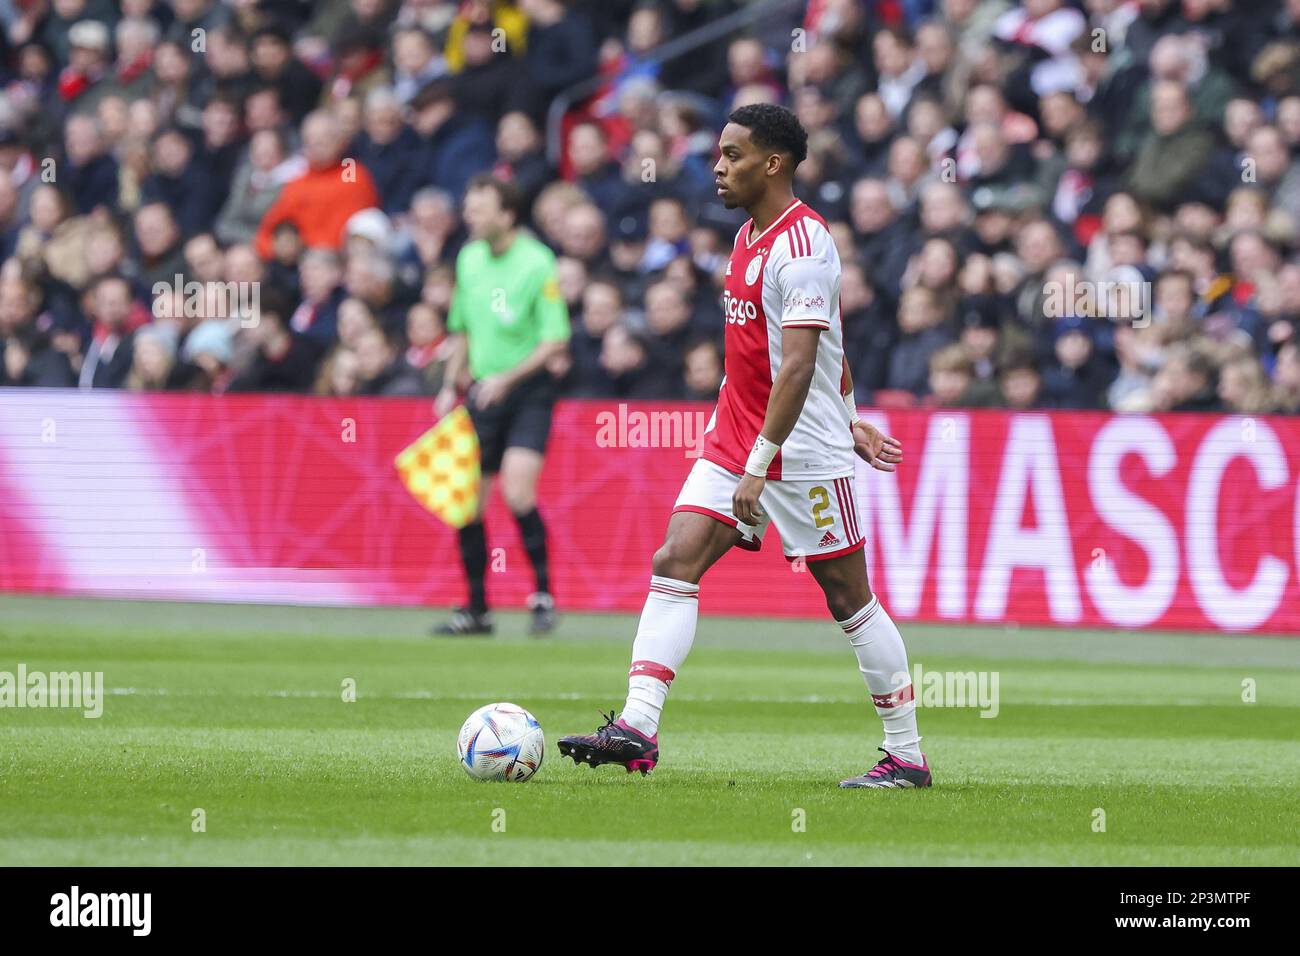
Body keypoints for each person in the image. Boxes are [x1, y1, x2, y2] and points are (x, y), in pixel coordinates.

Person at [557, 104, 930, 789]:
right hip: (735, 436)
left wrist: (795, 448)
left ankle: (906, 756)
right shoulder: (746, 237)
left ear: (774, 163)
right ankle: (639, 726)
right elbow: (807, 355)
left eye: (732, 155)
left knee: (849, 599)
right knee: (676, 557)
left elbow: (801, 363)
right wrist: (848, 414)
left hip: (799, 453)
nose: (719, 167)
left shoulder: (804, 246)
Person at [433, 174, 571, 636]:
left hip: (527, 392)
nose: (469, 215)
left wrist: (506, 379)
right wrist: (449, 385)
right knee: (468, 505)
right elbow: (462, 329)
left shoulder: (537, 262)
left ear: (506, 215)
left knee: (517, 493)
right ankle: (477, 609)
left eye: (479, 208)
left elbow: (554, 340)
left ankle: (542, 597)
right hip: (479, 393)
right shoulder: (469, 259)